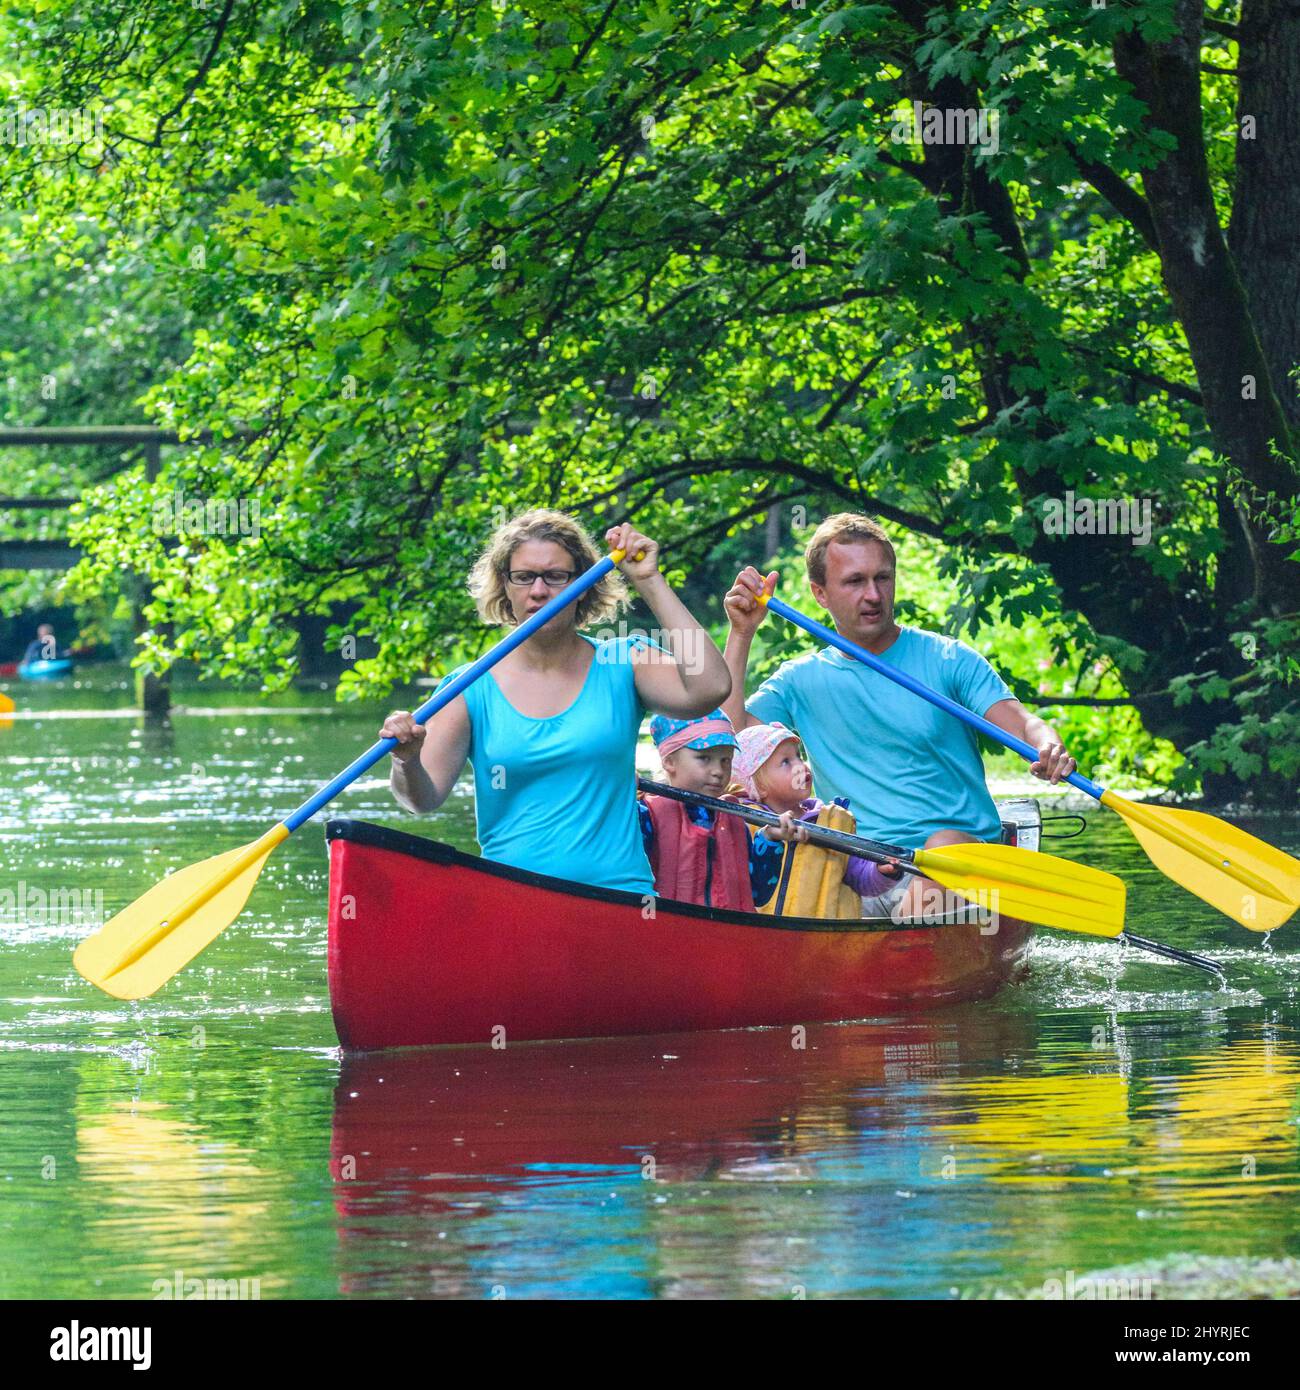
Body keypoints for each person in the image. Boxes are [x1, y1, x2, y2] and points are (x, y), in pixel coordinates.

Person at [722, 512, 1077, 918]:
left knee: (942, 846)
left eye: (882, 578)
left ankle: (901, 951)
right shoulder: (799, 681)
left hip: (956, 864)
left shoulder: (947, 658)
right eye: (855, 581)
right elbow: (726, 744)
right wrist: (742, 633)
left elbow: (1023, 722)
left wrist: (1048, 744)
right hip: (855, 869)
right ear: (820, 593)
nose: (873, 595)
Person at [380, 510, 731, 894]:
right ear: (506, 585)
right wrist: (406, 759)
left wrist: (649, 580)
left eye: (556, 576)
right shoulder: (469, 686)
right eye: (524, 577)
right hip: (513, 900)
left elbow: (710, 688)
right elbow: (421, 799)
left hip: (621, 900)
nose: (539, 590)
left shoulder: (623, 662)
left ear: (581, 585)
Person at [730, 721, 902, 918]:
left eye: (799, 756)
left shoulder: (831, 822)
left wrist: (882, 871)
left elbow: (860, 877)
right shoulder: (743, 822)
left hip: (821, 938)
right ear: (758, 786)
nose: (800, 766)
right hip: (762, 935)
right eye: (786, 762)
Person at [638, 710, 805, 910]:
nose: (718, 771)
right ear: (669, 762)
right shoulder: (647, 815)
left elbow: (758, 894)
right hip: (668, 933)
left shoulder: (734, 818)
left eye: (725, 760)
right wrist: (619, 799)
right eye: (704, 758)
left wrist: (770, 839)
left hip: (727, 936)